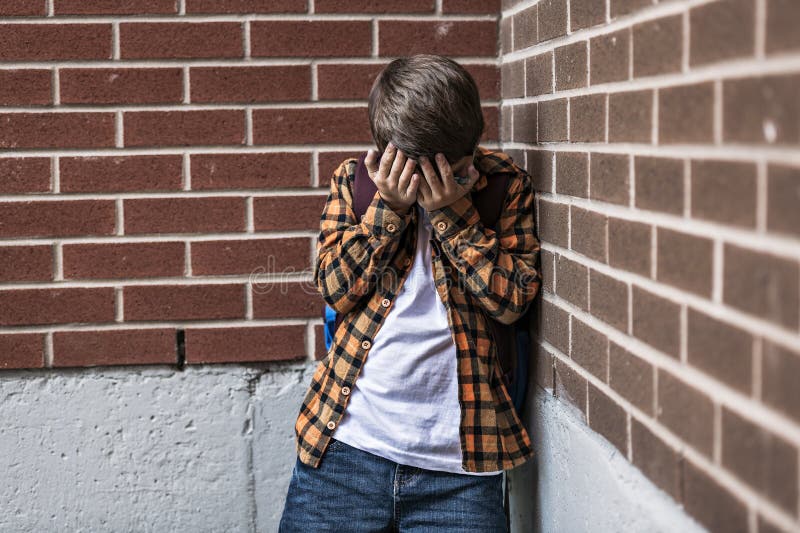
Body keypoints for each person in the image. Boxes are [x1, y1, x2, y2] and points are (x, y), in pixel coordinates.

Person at [279, 54, 542, 532]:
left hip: (462, 470)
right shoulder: (354, 182)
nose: (435, 185)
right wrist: (390, 208)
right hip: (345, 454)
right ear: (386, 154)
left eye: (455, 171)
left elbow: (511, 302)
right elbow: (335, 288)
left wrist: (454, 213)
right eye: (416, 174)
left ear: (474, 145)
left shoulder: (503, 186)